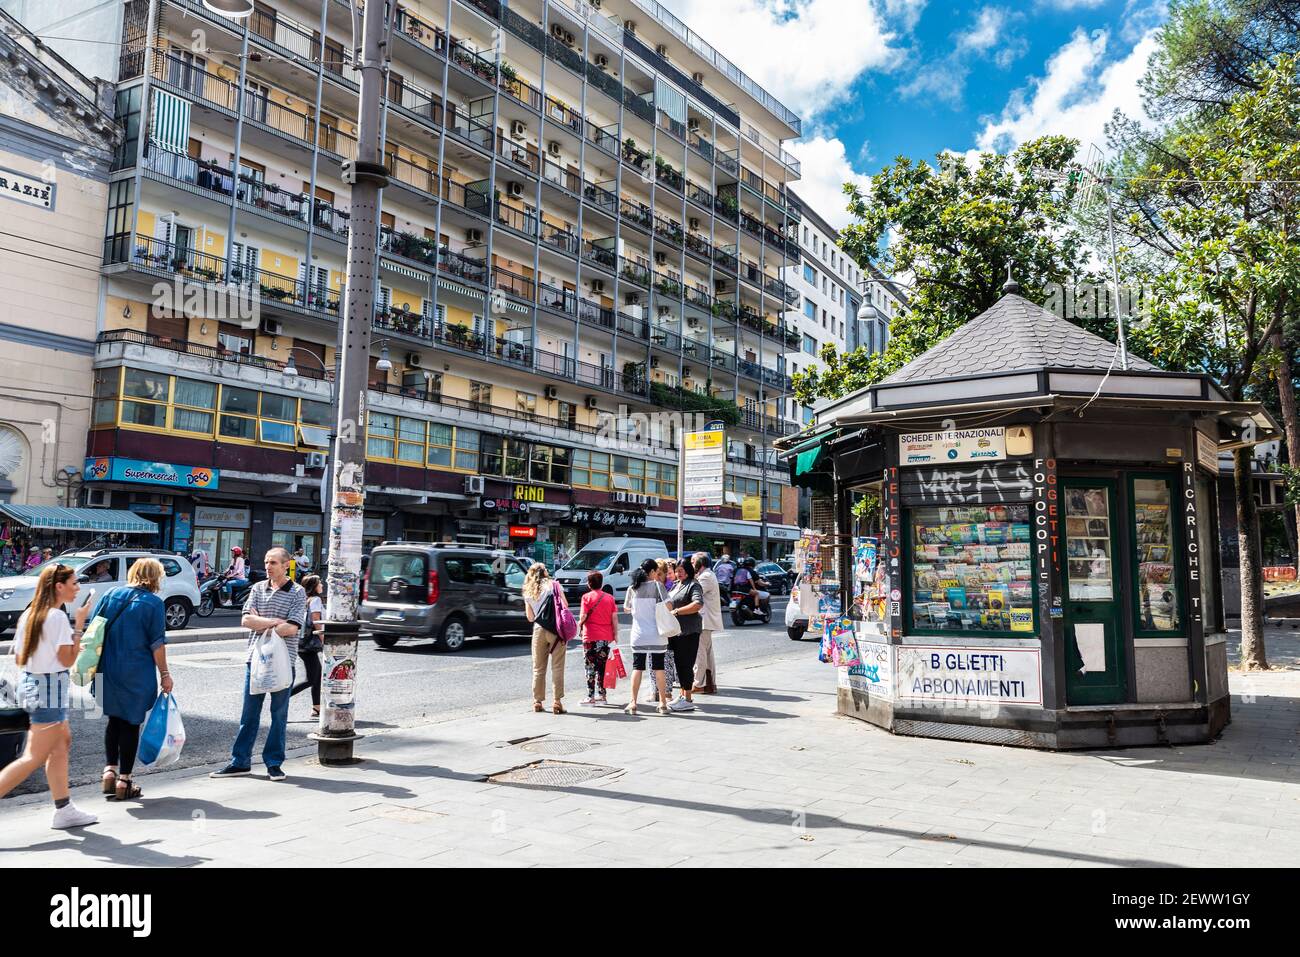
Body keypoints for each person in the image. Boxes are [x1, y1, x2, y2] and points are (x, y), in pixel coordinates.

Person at [0, 563, 97, 828]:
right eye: (74, 583)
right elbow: (67, 660)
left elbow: (20, 656)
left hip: (34, 684)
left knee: (61, 744)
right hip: (48, 689)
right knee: (33, 757)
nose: (78, 588)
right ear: (59, 586)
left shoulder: (30, 614)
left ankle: (64, 809)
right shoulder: (56, 618)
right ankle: (64, 810)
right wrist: (78, 626)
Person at [210, 547, 305, 781]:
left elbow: (292, 627)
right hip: (255, 659)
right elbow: (245, 619)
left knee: (278, 715)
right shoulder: (257, 588)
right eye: (266, 562)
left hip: (284, 661)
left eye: (273, 562)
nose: (268, 567)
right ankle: (240, 761)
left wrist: (261, 622)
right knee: (249, 714)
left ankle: (274, 763)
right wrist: (274, 622)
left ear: (286, 565)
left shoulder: (297, 592)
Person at [93, 558, 172, 802]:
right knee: (130, 723)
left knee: (113, 719)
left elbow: (95, 628)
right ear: (155, 577)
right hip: (135, 672)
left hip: (105, 669)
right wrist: (165, 674)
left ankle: (109, 771)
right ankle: (124, 780)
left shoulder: (111, 594)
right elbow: (157, 643)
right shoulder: (154, 604)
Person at [624, 558, 670, 715]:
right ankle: (663, 703)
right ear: (651, 572)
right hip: (657, 634)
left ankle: (633, 702)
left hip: (638, 635)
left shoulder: (632, 588)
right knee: (659, 668)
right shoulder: (658, 586)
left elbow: (626, 609)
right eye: (656, 572)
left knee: (637, 668)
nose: (657, 575)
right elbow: (669, 606)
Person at [523, 562, 566, 714]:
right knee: (557, 666)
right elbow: (565, 607)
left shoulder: (528, 590)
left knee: (538, 668)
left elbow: (530, 617)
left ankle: (537, 701)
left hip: (538, 630)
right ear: (546, 572)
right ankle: (557, 701)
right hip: (556, 630)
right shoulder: (554, 586)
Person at [665, 557, 703, 712]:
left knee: (685, 664)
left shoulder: (694, 585)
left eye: (681, 571)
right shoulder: (676, 584)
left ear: (688, 571)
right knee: (679, 664)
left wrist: (677, 611)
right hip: (676, 631)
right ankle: (681, 695)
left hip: (689, 631)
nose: (678, 573)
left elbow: (698, 604)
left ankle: (687, 698)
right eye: (677, 571)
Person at [578, 570, 618, 705]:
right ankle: (602, 695)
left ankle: (590, 696)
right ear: (601, 583)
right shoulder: (610, 598)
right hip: (605, 637)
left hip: (590, 636)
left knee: (590, 666)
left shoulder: (586, 597)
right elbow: (614, 618)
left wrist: (579, 624)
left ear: (589, 584)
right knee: (602, 667)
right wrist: (615, 634)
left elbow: (583, 616)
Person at [290, 575, 324, 718]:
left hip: (302, 642)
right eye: (319, 582)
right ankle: (283, 698)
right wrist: (324, 639)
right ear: (313, 586)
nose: (322, 584)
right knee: (312, 679)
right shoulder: (315, 600)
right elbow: (316, 621)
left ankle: (316, 708)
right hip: (310, 643)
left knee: (317, 677)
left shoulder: (305, 600)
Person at [692, 552, 722, 694]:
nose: (691, 565)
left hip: (704, 620)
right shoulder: (707, 575)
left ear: (701, 564)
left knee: (700, 652)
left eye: (693, 562)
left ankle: (699, 684)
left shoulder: (705, 577)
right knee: (707, 653)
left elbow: (694, 593)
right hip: (706, 620)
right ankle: (709, 684)